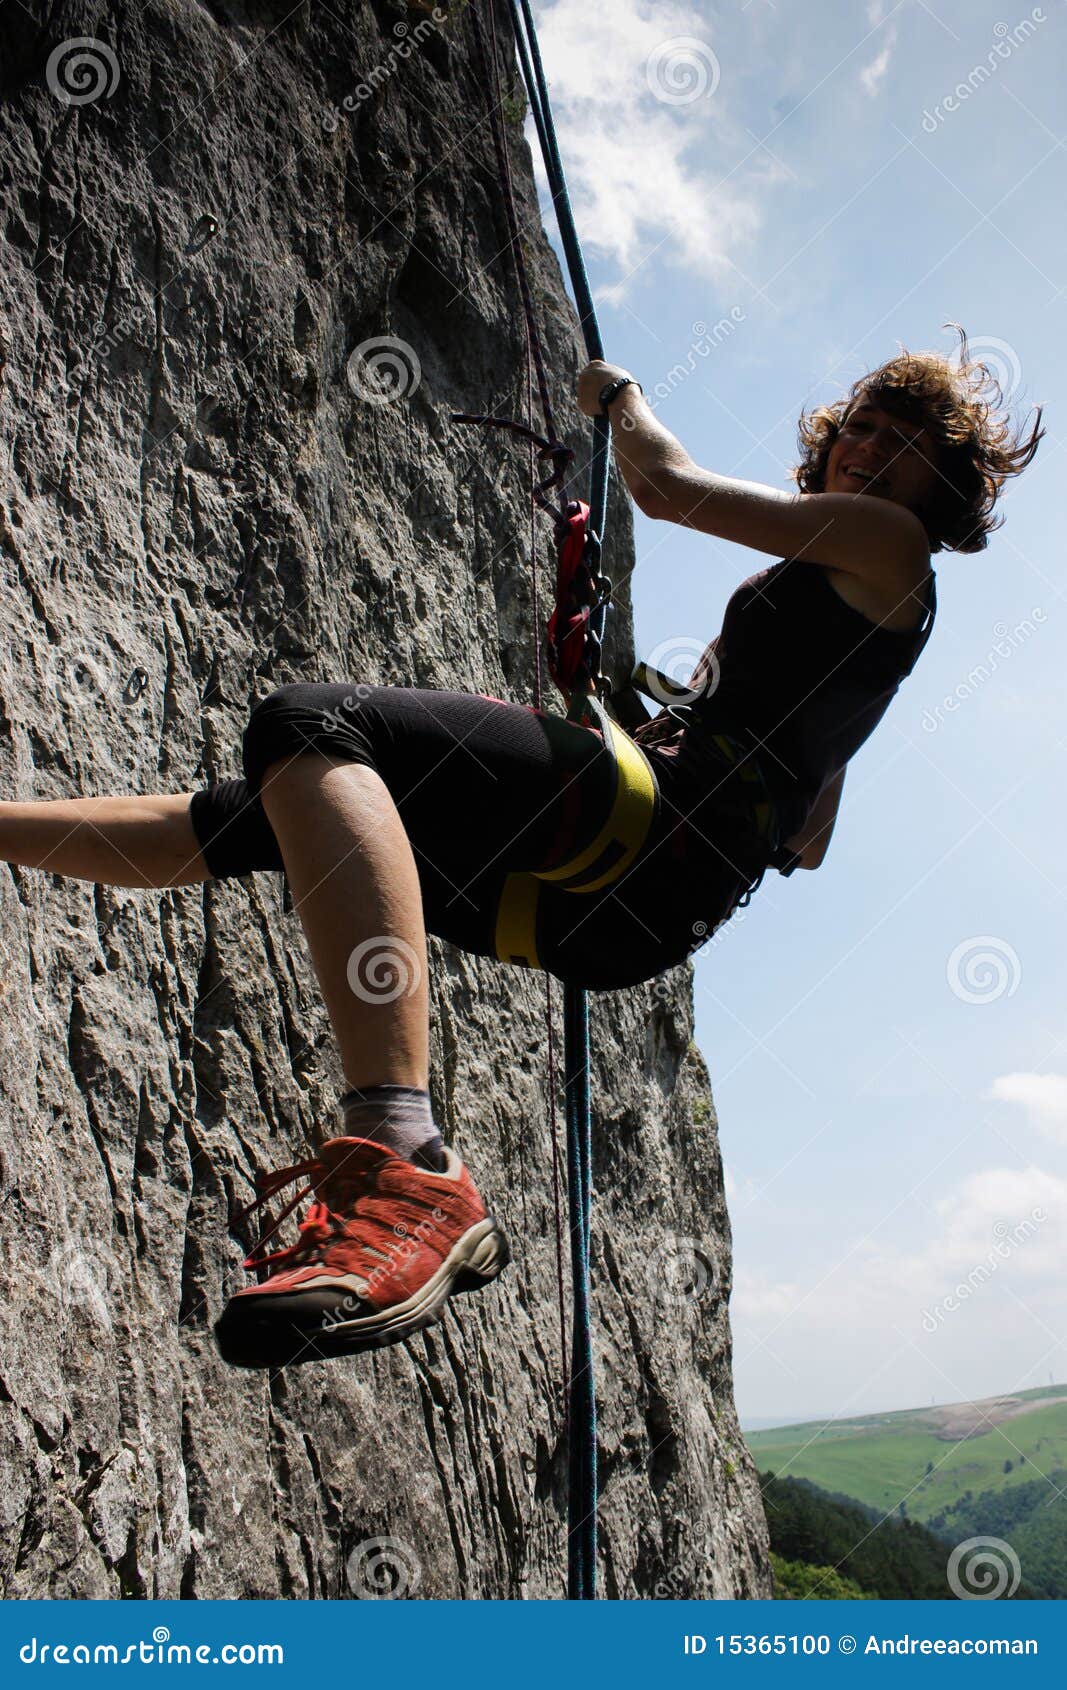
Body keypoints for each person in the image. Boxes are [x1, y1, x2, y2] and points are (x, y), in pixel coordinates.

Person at [0, 332, 1041, 1369]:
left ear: (940, 483)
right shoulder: (866, 620)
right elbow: (807, 840)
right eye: (860, 426)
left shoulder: (889, 547)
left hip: (654, 838)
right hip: (623, 916)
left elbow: (669, 489)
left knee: (312, 726)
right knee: (263, 818)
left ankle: (405, 1161)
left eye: (903, 441)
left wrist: (622, 399)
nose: (869, 446)